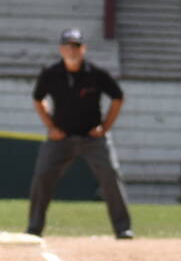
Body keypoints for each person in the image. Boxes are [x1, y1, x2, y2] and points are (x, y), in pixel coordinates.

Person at [24, 27, 134, 240]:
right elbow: (38, 99)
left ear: (83, 48)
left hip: (92, 139)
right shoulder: (50, 74)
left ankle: (123, 228)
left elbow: (118, 97)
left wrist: (105, 127)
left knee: (110, 176)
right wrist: (51, 127)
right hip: (61, 139)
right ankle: (34, 228)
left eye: (75, 46)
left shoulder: (96, 74)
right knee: (42, 175)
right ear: (61, 49)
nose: (71, 50)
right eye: (67, 46)